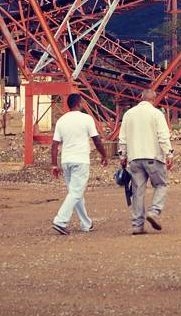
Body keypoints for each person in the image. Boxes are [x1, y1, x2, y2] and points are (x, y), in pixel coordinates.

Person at [117, 89, 174, 235]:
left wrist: (122, 156)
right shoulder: (156, 114)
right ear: (153, 100)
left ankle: (137, 226)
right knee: (161, 185)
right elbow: (163, 136)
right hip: (153, 157)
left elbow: (122, 137)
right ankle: (154, 212)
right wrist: (169, 153)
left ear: (140, 98)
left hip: (134, 159)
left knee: (137, 191)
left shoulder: (129, 114)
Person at [50, 93, 107, 235]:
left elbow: (54, 145)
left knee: (75, 193)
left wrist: (54, 165)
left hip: (66, 160)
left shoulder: (61, 121)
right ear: (79, 103)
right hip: (80, 160)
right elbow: (96, 140)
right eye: (82, 102)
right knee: (76, 192)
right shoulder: (86, 119)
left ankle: (86, 223)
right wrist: (104, 155)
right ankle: (60, 221)